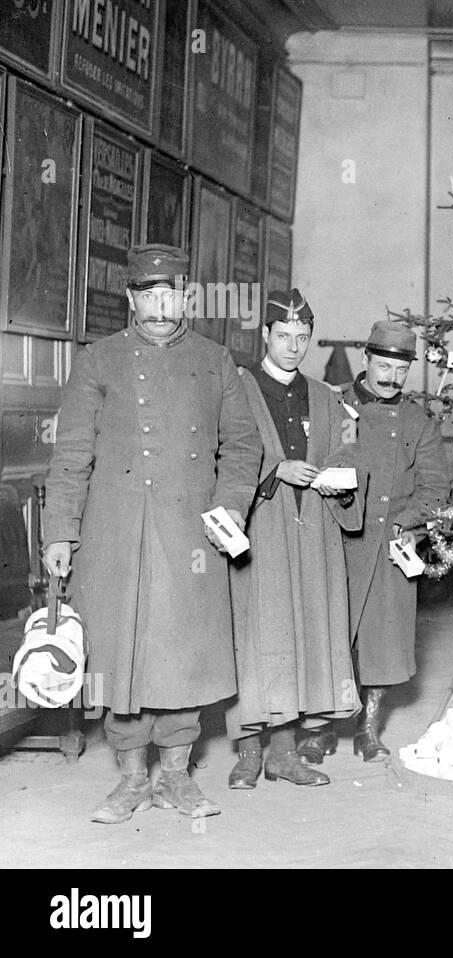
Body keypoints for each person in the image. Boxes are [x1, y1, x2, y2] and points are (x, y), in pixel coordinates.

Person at [41, 243, 262, 823]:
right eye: (149, 294)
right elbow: (71, 455)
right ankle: (131, 780)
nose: (162, 306)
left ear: (187, 295)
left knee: (183, 660)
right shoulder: (98, 360)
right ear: (132, 298)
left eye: (172, 293)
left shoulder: (216, 361)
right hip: (115, 533)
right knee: (121, 659)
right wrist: (60, 532)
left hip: (191, 536)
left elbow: (244, 447)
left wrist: (229, 509)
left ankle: (177, 778)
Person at [225, 290, 364, 789]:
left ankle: (282, 752)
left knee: (299, 635)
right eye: (283, 336)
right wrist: (275, 470)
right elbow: (223, 457)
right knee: (256, 636)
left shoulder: (326, 397)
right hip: (259, 525)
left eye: (302, 338)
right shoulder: (237, 389)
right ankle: (246, 752)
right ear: (264, 335)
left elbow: (347, 459)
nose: (292, 346)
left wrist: (338, 479)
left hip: (313, 529)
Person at [298, 321, 452, 765]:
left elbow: (435, 487)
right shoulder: (332, 405)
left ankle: (369, 728)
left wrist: (410, 525)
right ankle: (320, 729)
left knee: (383, 642)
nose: (390, 378)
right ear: (365, 360)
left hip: (391, 542)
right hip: (337, 539)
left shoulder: (418, 421)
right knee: (329, 633)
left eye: (400, 371)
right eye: (383, 366)